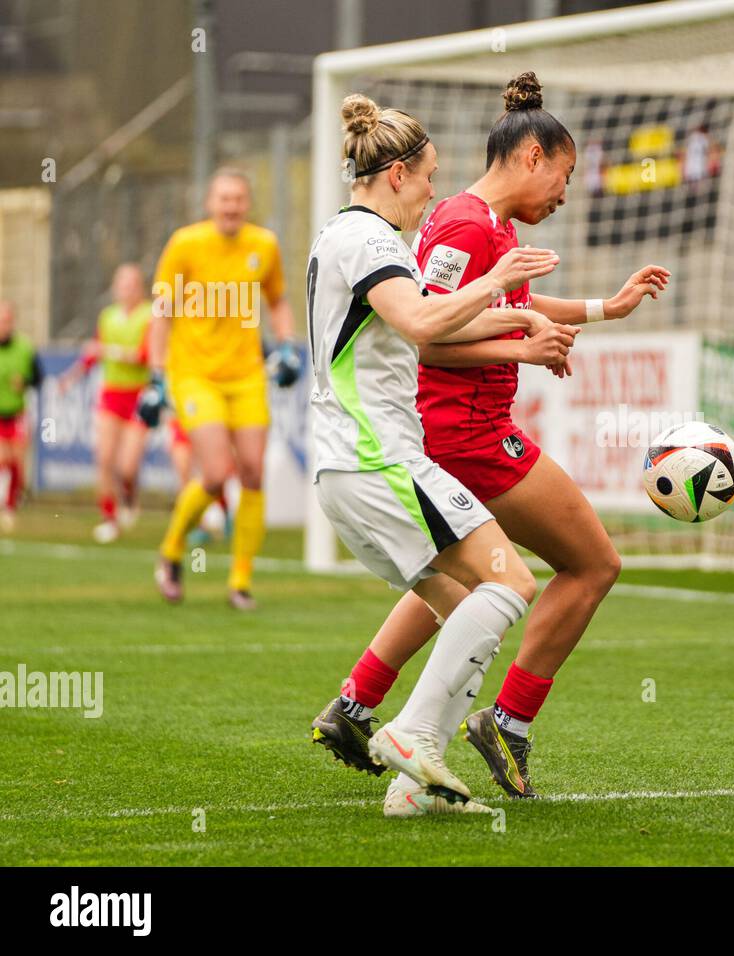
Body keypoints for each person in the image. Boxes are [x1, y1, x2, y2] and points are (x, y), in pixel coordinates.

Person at [313, 72, 669, 800]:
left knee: (463, 591)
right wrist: (519, 339)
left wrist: (597, 309)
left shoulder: (456, 229)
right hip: (446, 436)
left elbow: (501, 298)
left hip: (388, 450)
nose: (566, 192)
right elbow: (429, 328)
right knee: (574, 567)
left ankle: (387, 740)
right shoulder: (459, 224)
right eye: (565, 174)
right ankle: (489, 723)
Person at [307, 92, 561, 816]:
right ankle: (413, 731)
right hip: (379, 459)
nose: (430, 193)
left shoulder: (340, 234)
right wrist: (496, 281)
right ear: (396, 175)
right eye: (427, 178)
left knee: (467, 613)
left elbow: (426, 319)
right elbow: (421, 321)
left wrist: (537, 312)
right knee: (512, 581)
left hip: (350, 468)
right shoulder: (372, 240)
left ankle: (415, 788)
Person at [141, 167, 300, 609]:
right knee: (214, 474)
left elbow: (278, 300)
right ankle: (172, 551)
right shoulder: (185, 244)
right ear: (210, 202)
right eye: (223, 198)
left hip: (247, 374)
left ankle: (240, 581)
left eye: (238, 199)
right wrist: (155, 376)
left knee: (251, 470)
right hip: (194, 374)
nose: (231, 206)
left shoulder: (263, 245)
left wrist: (287, 345)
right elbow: (161, 312)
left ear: (247, 203)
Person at [59, 264, 153, 542]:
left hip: (139, 396)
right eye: (122, 284)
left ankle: (130, 495)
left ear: (140, 287)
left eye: (132, 284)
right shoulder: (108, 316)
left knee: (127, 465)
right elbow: (93, 353)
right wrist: (71, 378)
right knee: (104, 459)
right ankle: (109, 518)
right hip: (111, 395)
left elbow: (145, 355)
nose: (127, 290)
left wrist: (110, 351)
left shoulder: (150, 316)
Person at [0, 300, 42, 533]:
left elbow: (39, 378)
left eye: (6, 320)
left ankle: (10, 506)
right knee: (2, 459)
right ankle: (6, 503)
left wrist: (24, 382)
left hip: (17, 412)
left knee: (17, 461)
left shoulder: (25, 347)